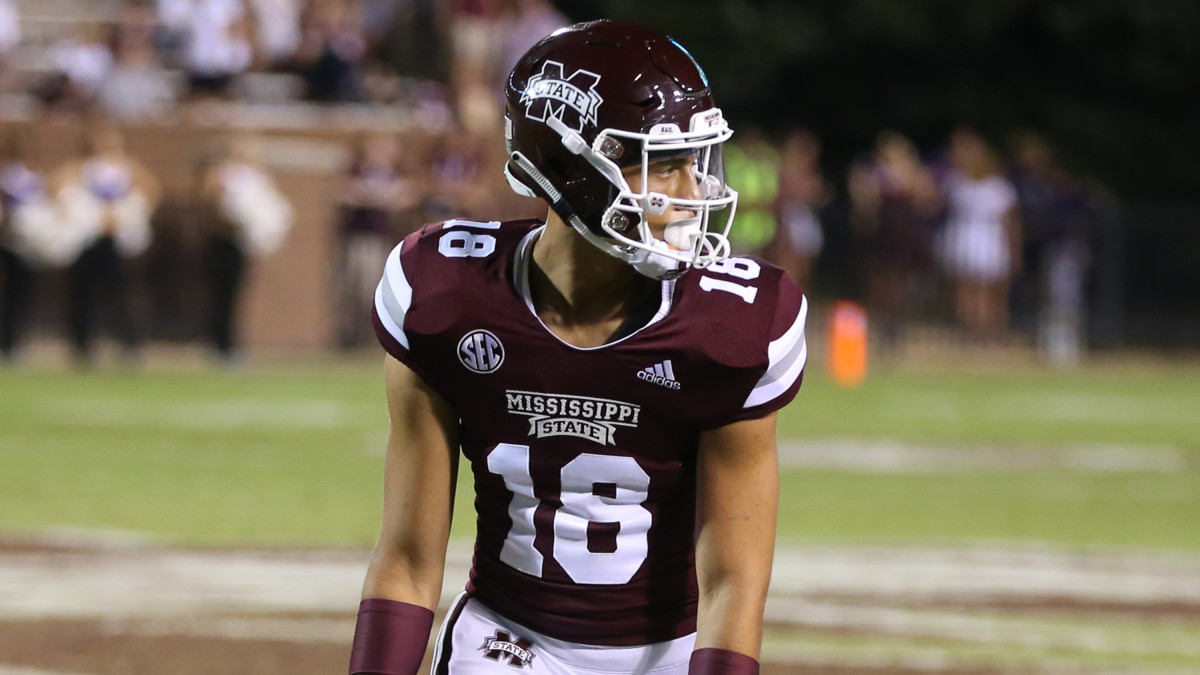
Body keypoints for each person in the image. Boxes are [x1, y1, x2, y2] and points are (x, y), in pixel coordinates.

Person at [350, 20, 807, 675]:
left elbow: (733, 583)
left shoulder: (727, 326)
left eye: (694, 162)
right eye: (660, 162)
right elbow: (407, 560)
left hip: (669, 652)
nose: (688, 193)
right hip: (510, 643)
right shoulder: (446, 297)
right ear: (567, 167)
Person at [53, 123, 160, 366]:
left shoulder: (129, 167)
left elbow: (151, 191)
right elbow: (57, 188)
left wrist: (120, 216)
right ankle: (82, 347)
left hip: (116, 244)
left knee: (120, 296)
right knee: (81, 296)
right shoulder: (79, 167)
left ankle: (128, 346)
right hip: (85, 242)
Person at [201, 132, 292, 363]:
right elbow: (209, 201)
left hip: (240, 243)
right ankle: (219, 344)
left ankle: (231, 344)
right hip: (221, 240)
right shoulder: (219, 173)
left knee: (236, 295)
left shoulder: (257, 176)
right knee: (220, 294)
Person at [934, 127, 1021, 343]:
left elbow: (1011, 222)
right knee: (965, 291)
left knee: (987, 292)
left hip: (988, 241)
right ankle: (970, 334)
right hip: (963, 239)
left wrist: (1013, 249)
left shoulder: (998, 187)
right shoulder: (957, 183)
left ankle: (989, 335)